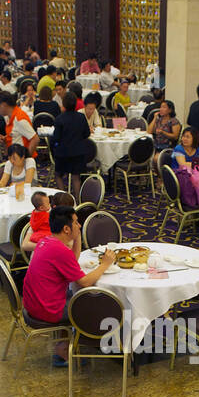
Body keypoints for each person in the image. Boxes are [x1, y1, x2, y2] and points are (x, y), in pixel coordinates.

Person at [22, 206, 116, 365]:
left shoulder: (46, 241)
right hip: (47, 309)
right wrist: (105, 264)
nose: (80, 225)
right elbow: (85, 282)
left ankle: (64, 343)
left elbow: (72, 258)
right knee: (91, 303)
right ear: (66, 229)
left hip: (33, 303)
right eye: (76, 222)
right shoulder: (59, 250)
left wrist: (77, 236)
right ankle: (67, 348)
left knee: (75, 295)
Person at [50, 91, 92, 199]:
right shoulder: (81, 117)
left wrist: (53, 147)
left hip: (63, 153)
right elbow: (87, 134)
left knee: (58, 175)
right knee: (76, 177)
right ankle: (77, 200)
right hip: (78, 152)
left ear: (63, 104)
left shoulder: (59, 118)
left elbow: (56, 138)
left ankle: (63, 198)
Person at [172, 127, 199, 211]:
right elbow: (183, 164)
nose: (184, 139)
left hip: (194, 174)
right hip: (179, 176)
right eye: (183, 136)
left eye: (188, 137)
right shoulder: (179, 149)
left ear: (194, 138)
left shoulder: (198, 149)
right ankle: (195, 202)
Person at [0, 90, 38, 155]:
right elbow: (18, 134)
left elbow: (35, 139)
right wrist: (5, 138)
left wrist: (27, 157)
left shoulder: (19, 119)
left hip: (20, 158)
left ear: (4, 105)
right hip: (14, 156)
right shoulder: (9, 117)